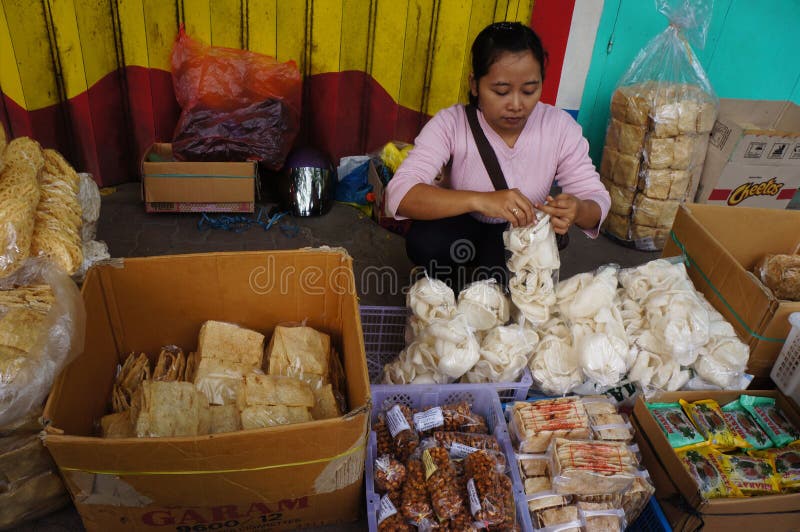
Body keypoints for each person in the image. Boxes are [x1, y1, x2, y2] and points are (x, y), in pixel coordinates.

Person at [386, 21, 610, 290]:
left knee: (501, 282)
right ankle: (443, 287)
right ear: (474, 84)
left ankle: (494, 283)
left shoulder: (559, 127)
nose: (516, 105)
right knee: (427, 242)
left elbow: (596, 201)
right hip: (462, 227)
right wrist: (480, 201)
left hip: (518, 232)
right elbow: (400, 194)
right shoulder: (451, 123)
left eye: (529, 90)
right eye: (501, 91)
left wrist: (579, 209)